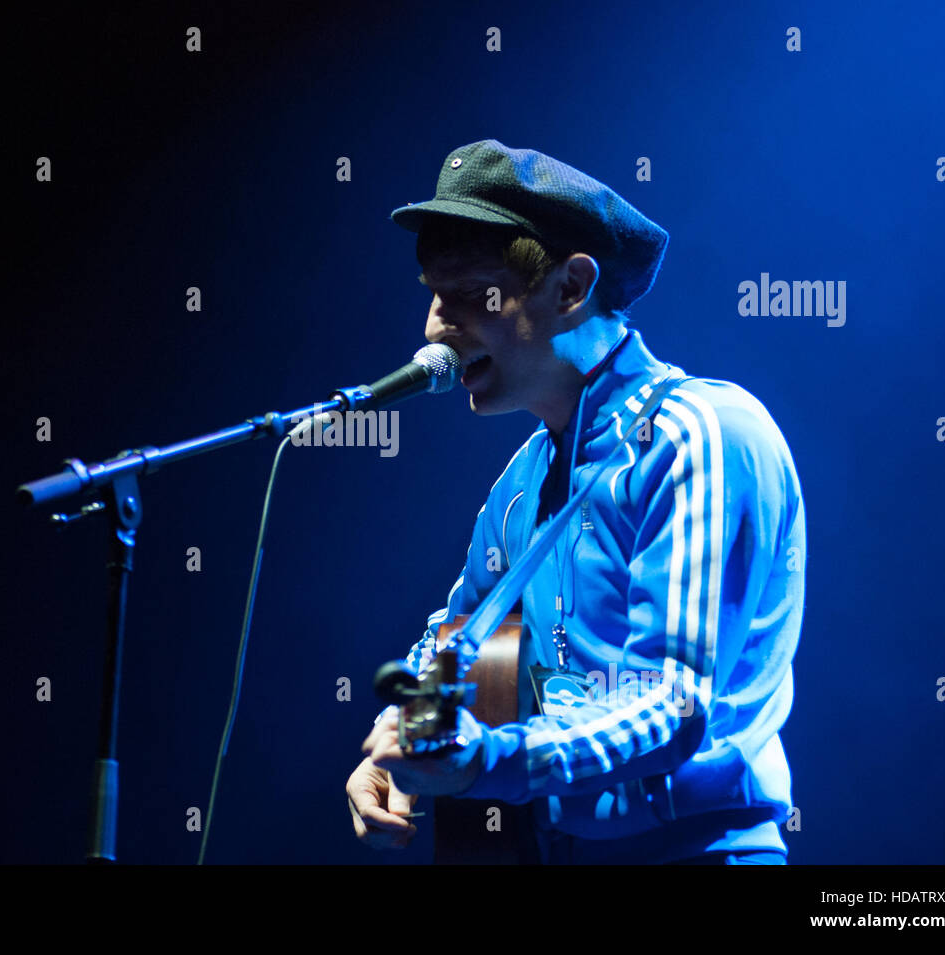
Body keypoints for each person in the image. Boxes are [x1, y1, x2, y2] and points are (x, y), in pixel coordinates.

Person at [345, 139, 805, 864]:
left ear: (570, 285)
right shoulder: (520, 482)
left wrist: (486, 758)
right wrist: (407, 738)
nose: (434, 327)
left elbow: (670, 702)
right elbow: (466, 636)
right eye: (433, 294)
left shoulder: (700, 435)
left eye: (469, 293)